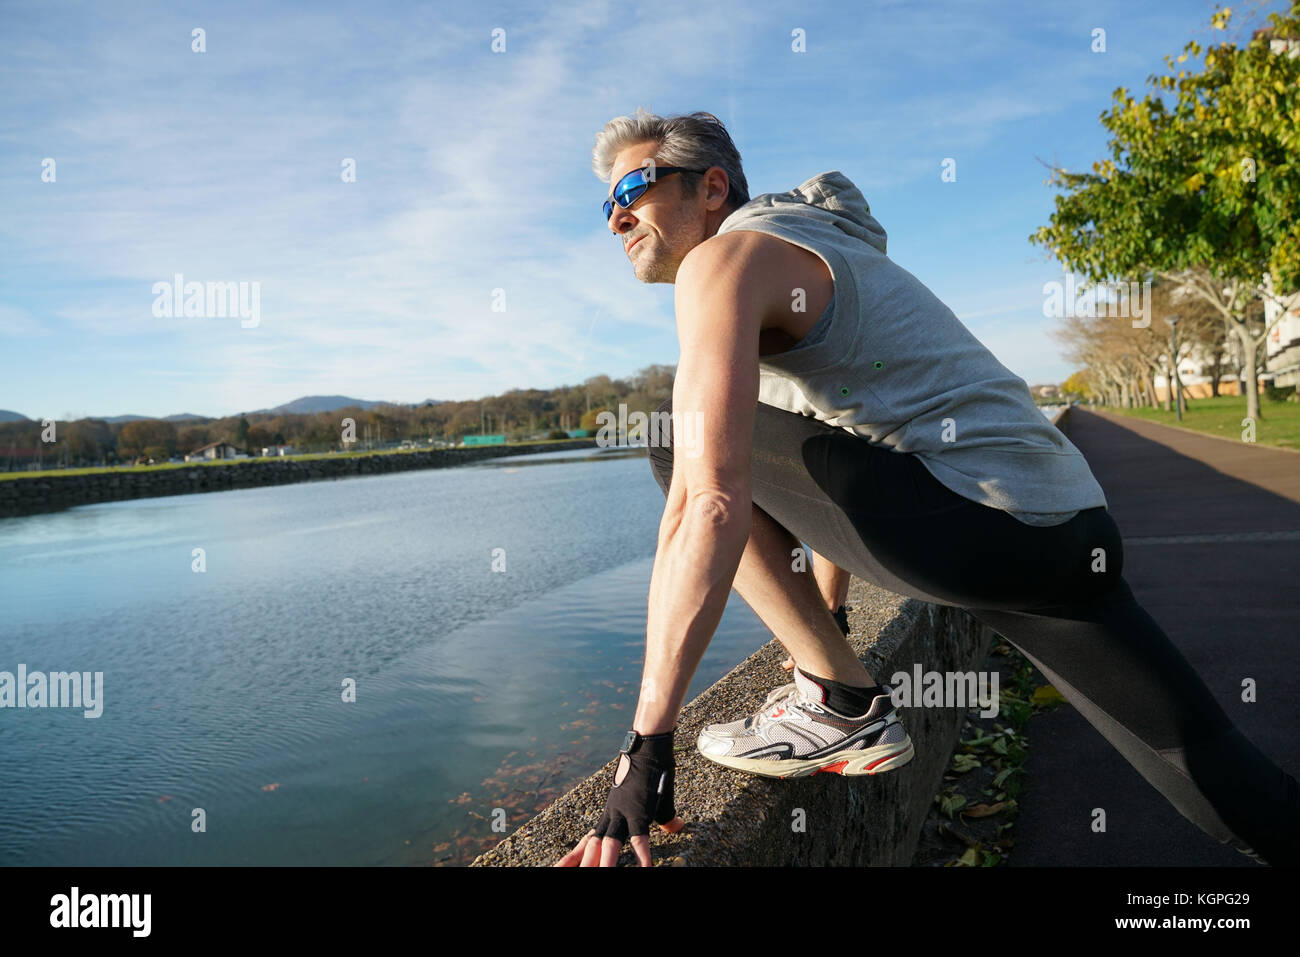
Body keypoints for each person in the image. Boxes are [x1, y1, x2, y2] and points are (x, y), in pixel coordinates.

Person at [555, 108, 1299, 867]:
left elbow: (705, 499)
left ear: (711, 187)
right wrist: (831, 615)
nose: (616, 216)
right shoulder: (801, 249)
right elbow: (841, 433)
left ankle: (843, 702)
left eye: (635, 187)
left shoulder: (725, 263)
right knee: (1211, 769)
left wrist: (646, 746)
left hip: (976, 519)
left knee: (670, 443)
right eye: (605, 203)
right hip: (1064, 524)